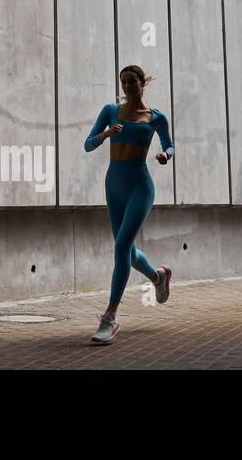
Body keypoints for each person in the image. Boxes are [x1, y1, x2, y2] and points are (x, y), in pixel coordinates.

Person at [83, 65, 175, 344]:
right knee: (129, 251)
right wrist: (106, 134)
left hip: (140, 186)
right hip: (114, 185)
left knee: (122, 247)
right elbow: (87, 145)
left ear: (142, 83)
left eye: (131, 81)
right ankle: (158, 276)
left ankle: (109, 317)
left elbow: (170, 146)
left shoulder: (155, 117)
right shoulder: (110, 111)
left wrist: (164, 155)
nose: (126, 86)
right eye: (123, 82)